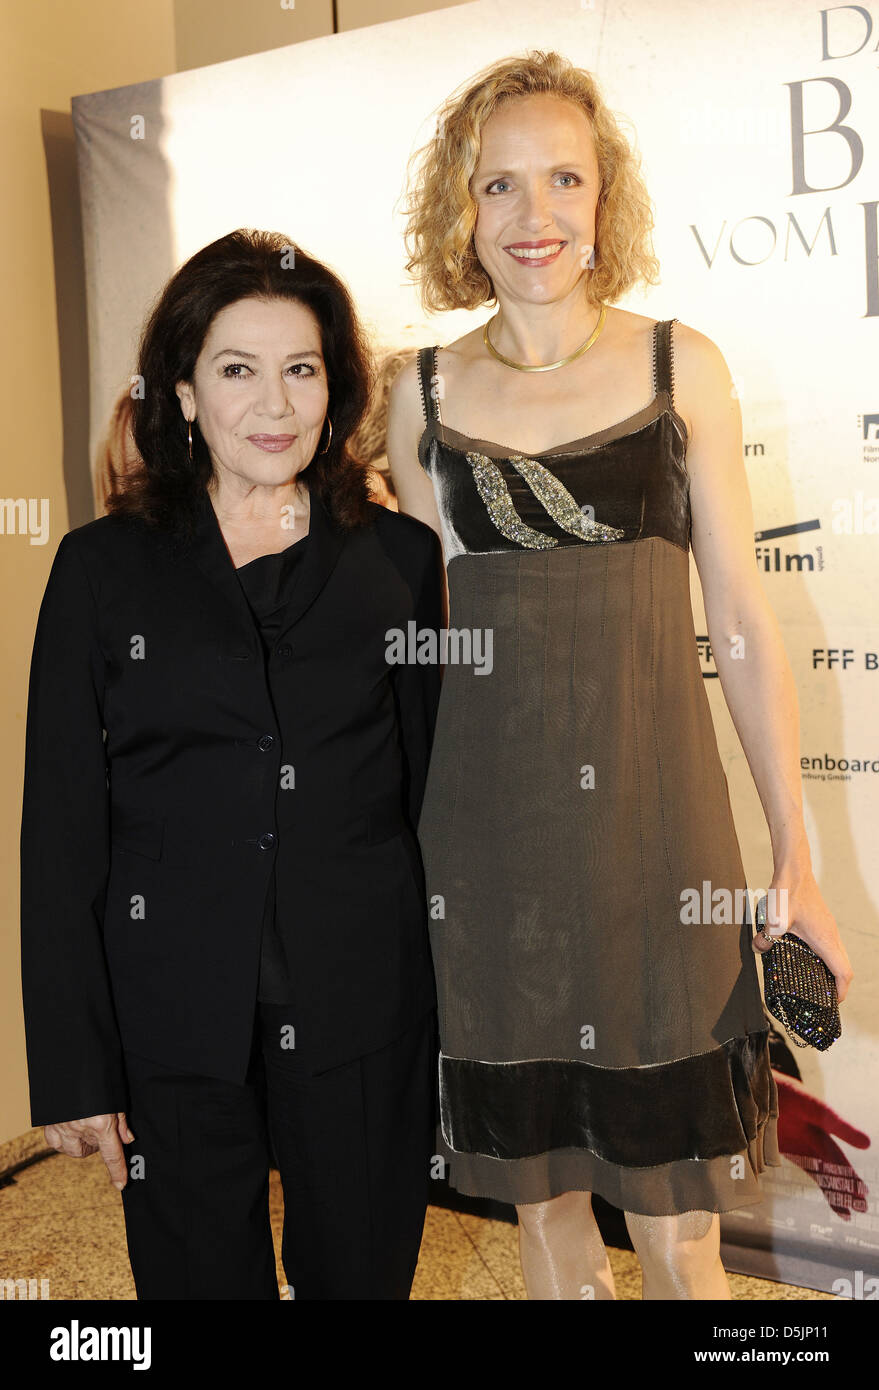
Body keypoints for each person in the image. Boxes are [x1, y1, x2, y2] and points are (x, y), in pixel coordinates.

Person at [387, 50, 853, 1300]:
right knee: (540, 1210)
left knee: (676, 1226)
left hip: (661, 845)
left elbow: (741, 620)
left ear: (605, 200)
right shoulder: (415, 395)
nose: (534, 216)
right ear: (460, 209)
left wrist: (791, 861)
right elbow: (415, 647)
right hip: (488, 855)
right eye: (499, 187)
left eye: (564, 180)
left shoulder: (675, 367)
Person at [20, 229, 444, 1300]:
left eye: (300, 369)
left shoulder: (398, 562)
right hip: (171, 1019)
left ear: (335, 389)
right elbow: (62, 824)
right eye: (237, 369)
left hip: (359, 1010)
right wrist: (77, 1069)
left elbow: (430, 796)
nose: (274, 402)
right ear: (185, 391)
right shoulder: (103, 569)